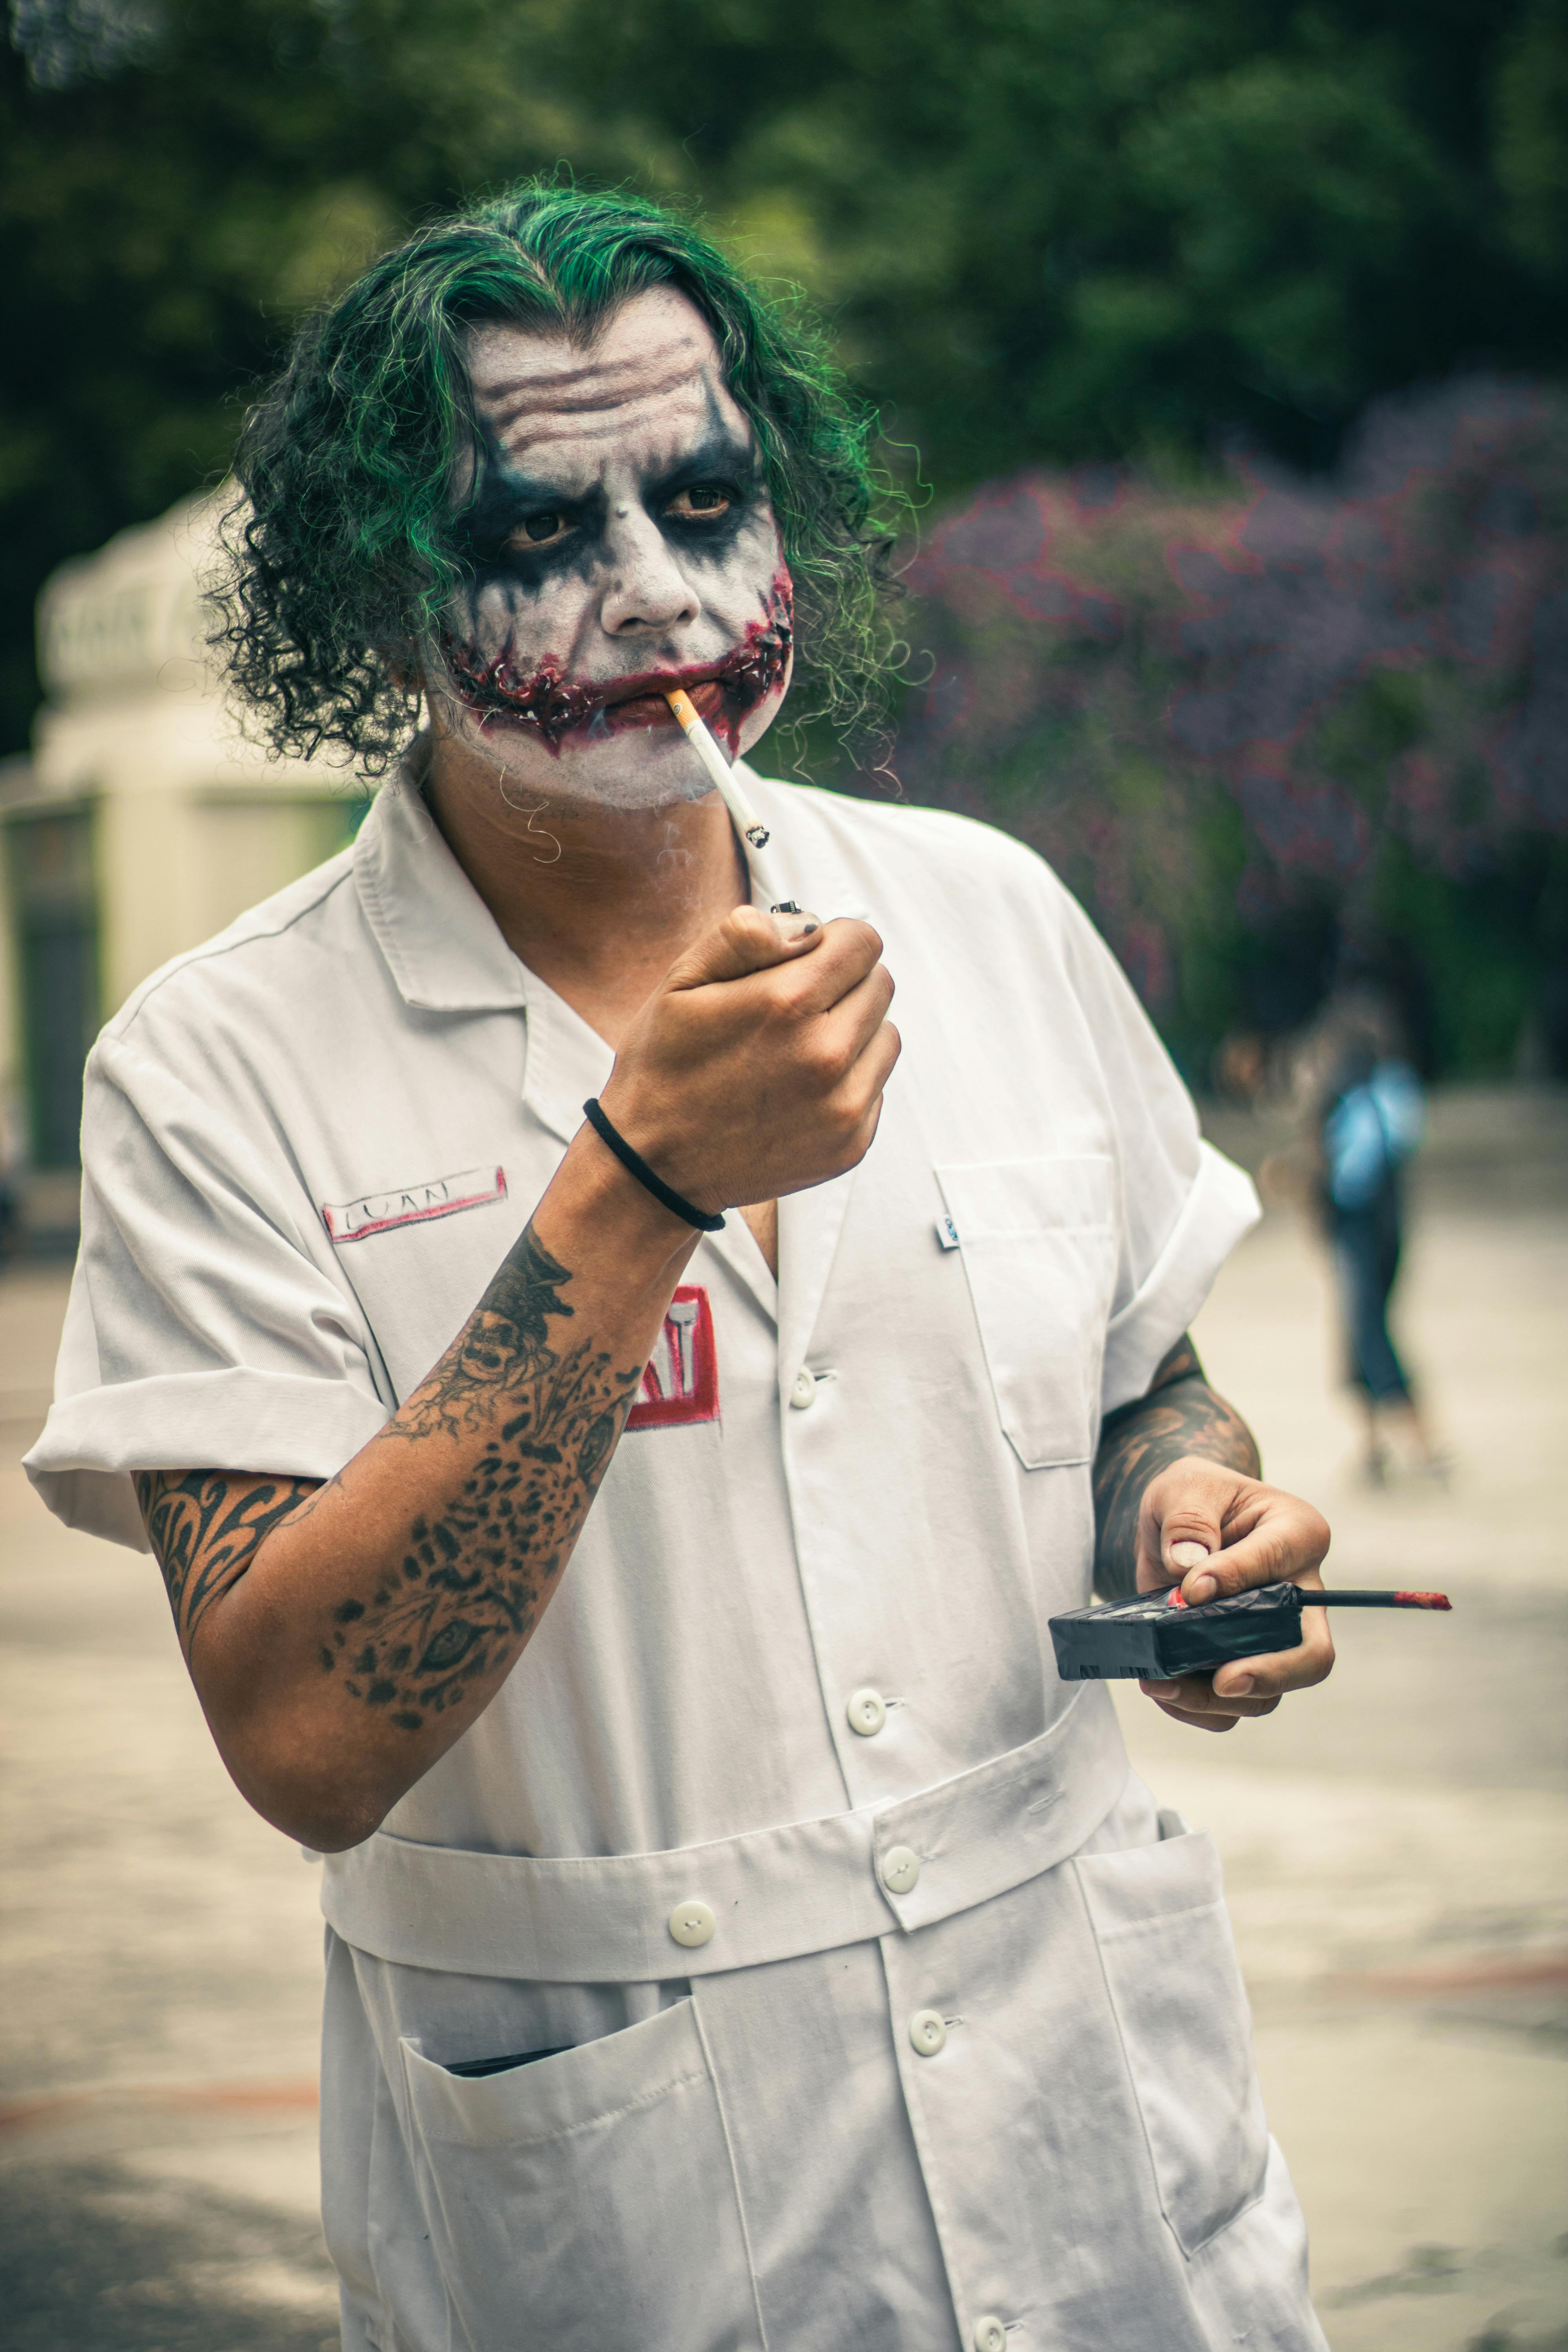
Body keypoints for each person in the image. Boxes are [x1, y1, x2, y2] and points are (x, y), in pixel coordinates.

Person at [27, 181, 1338, 2352]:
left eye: (707, 496)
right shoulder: (213, 1072)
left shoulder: (989, 913)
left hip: (1117, 2178)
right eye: (535, 532)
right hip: (623, 2234)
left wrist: (1183, 1509)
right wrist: (636, 1181)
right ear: (376, 595)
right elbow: (303, 1730)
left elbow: (1142, 1374)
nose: (653, 587)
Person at [1317, 1027, 1443, 1482]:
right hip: (1389, 1228)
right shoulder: (1393, 1089)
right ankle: (1372, 1448)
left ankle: (1424, 1443)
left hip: (1361, 1231)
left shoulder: (1351, 1100)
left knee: (1369, 1333)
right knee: (1362, 1332)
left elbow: (1349, 1177)